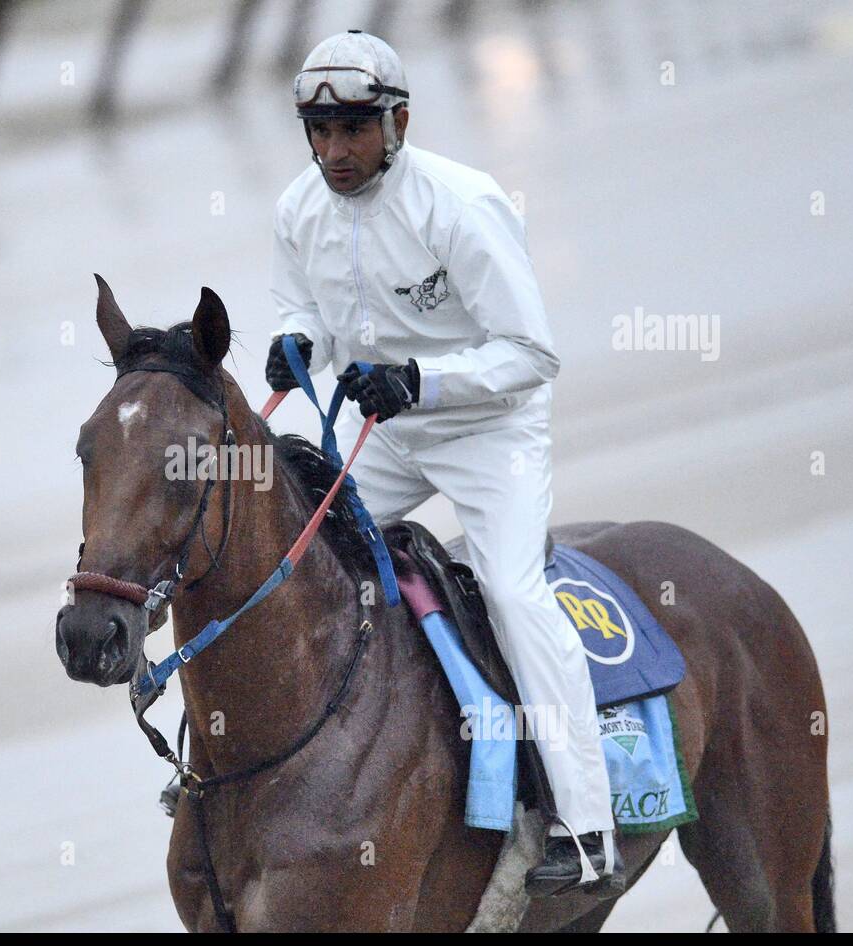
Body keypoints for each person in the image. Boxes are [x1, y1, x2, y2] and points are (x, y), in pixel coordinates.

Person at [266, 29, 623, 897]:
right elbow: (300, 304)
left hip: (489, 430)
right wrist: (295, 347)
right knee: (290, 557)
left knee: (508, 587)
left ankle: (589, 826)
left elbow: (533, 352)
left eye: (353, 130)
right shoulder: (297, 208)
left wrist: (419, 379)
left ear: (399, 122)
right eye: (319, 131)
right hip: (388, 428)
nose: (334, 152)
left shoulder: (461, 203)